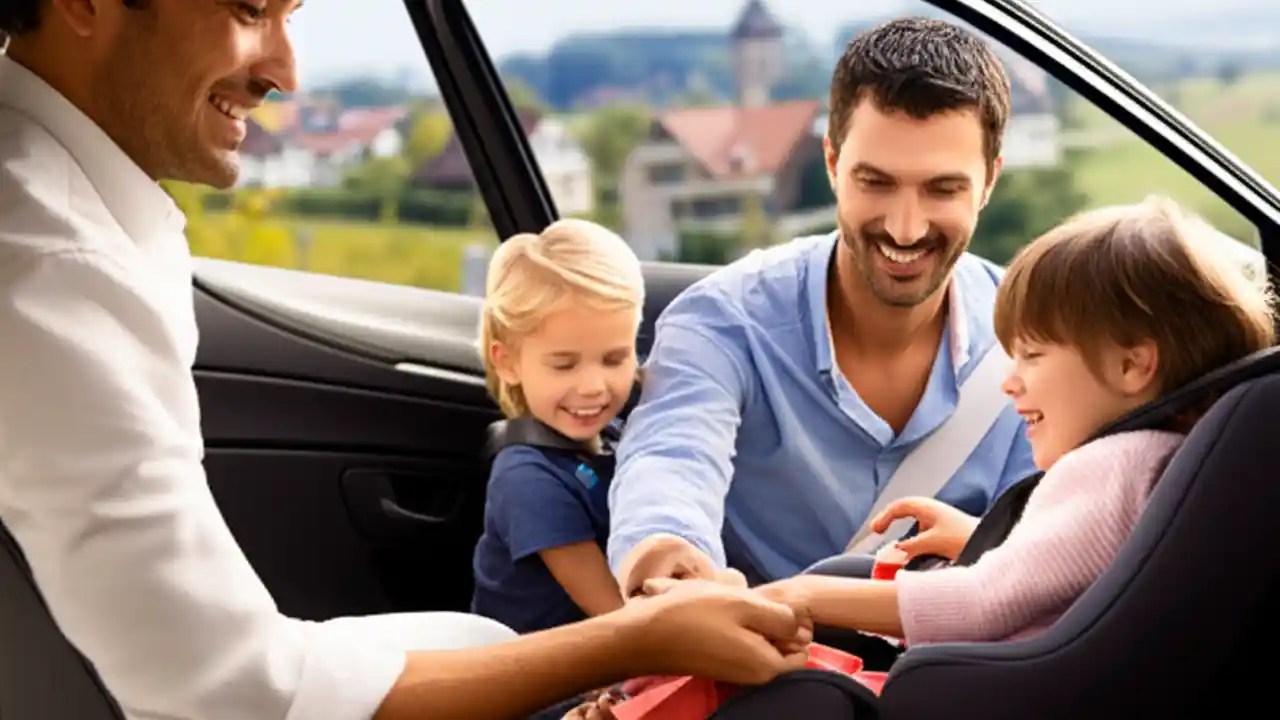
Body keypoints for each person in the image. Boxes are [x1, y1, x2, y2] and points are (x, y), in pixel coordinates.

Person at [0, 3, 811, 719]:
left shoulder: (78, 225)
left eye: (291, 17)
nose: (285, 71)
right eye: (249, 10)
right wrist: (637, 639)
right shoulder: (54, 272)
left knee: (479, 640)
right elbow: (232, 692)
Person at [685, 196, 1276, 650]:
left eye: (1033, 355)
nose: (1009, 381)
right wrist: (986, 537)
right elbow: (1090, 570)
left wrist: (797, 594)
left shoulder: (1110, 465)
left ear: (1132, 365)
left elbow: (983, 603)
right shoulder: (1170, 460)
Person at [609, 17, 1039, 595]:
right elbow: (670, 459)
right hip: (752, 642)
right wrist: (668, 563)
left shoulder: (1035, 339)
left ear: (988, 182)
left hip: (959, 647)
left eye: (943, 189)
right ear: (833, 164)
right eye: (875, 183)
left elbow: (1052, 536)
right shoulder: (723, 322)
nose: (906, 228)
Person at [470, 218, 639, 633]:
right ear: (508, 362)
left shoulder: (612, 434)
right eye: (564, 365)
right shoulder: (527, 479)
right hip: (542, 669)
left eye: (614, 359)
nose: (594, 386)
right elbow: (616, 614)